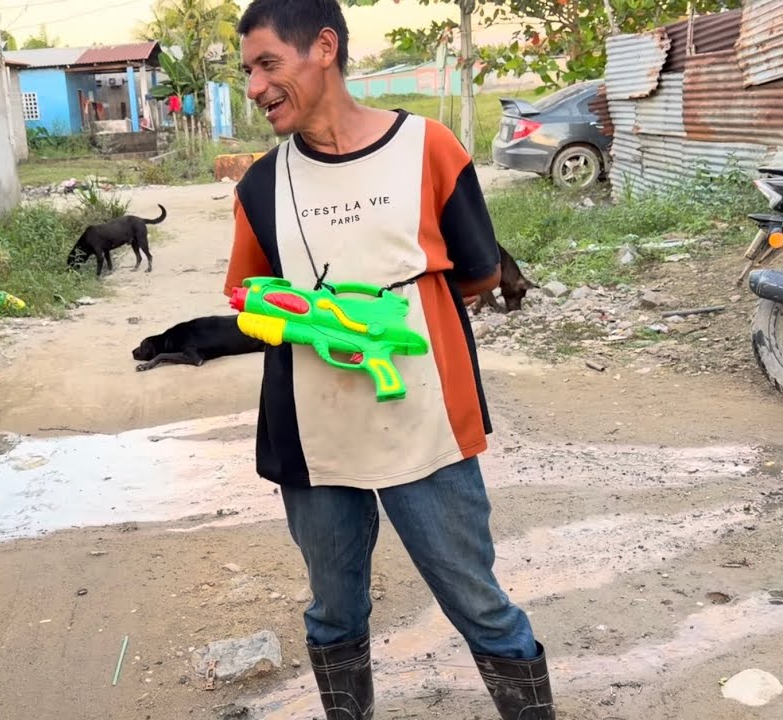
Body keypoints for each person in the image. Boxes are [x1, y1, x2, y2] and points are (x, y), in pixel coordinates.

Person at [224, 2, 555, 719]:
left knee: (478, 599)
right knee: (334, 610)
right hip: (311, 439)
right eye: (248, 71)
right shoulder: (259, 185)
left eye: (267, 64)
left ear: (324, 47)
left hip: (426, 419)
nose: (254, 86)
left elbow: (476, 272)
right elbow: (246, 294)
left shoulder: (429, 148)